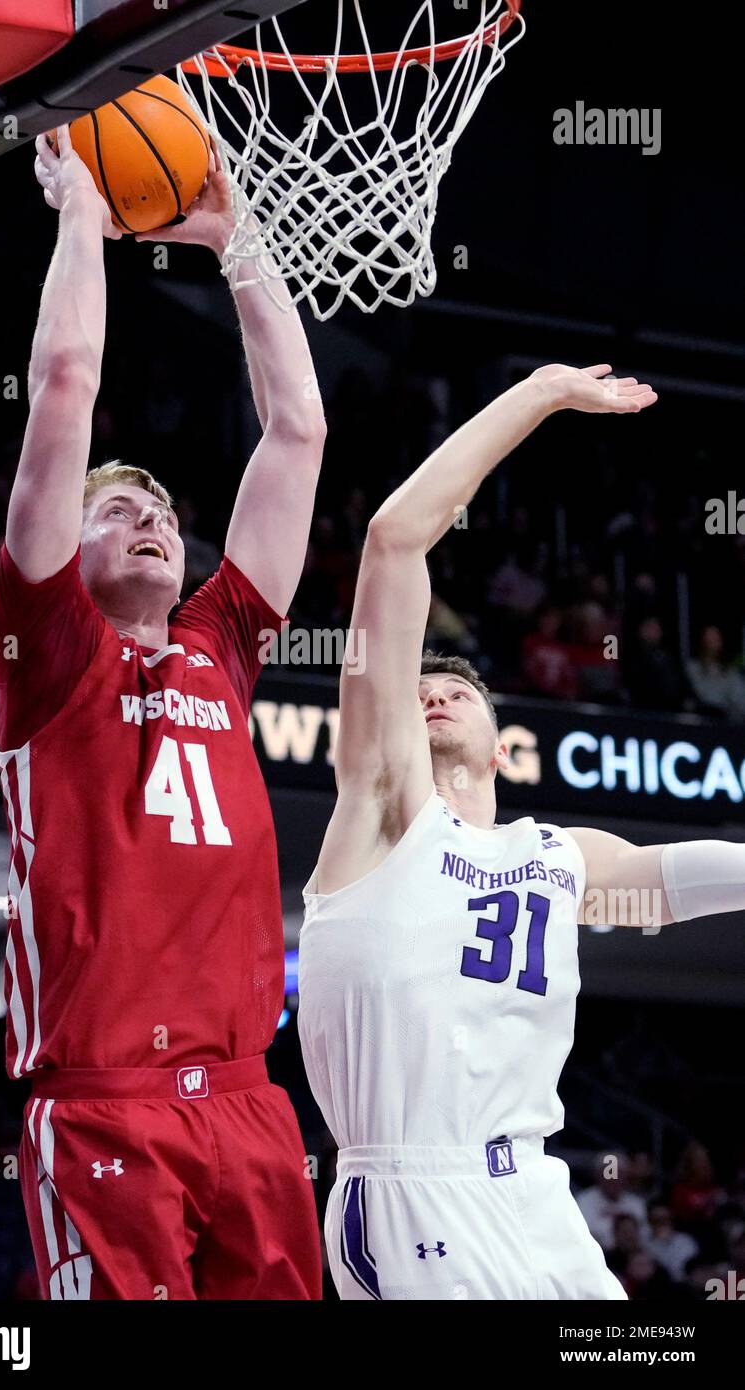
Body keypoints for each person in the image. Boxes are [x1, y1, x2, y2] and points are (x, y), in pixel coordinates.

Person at [298, 362, 745, 1299]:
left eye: (457, 690)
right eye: (420, 689)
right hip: (414, 1188)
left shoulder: (553, 856)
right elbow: (392, 541)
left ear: (503, 748)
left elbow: (678, 879)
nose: (431, 694)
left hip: (536, 1193)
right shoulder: (385, 812)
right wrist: (540, 392)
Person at [0, 127, 326, 1300]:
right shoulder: (44, 656)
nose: (151, 518)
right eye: (117, 507)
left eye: (163, 512)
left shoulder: (219, 646)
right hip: (103, 1107)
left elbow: (298, 432)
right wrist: (81, 213)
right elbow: (68, 383)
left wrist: (242, 246)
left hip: (248, 1101)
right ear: (58, 553)